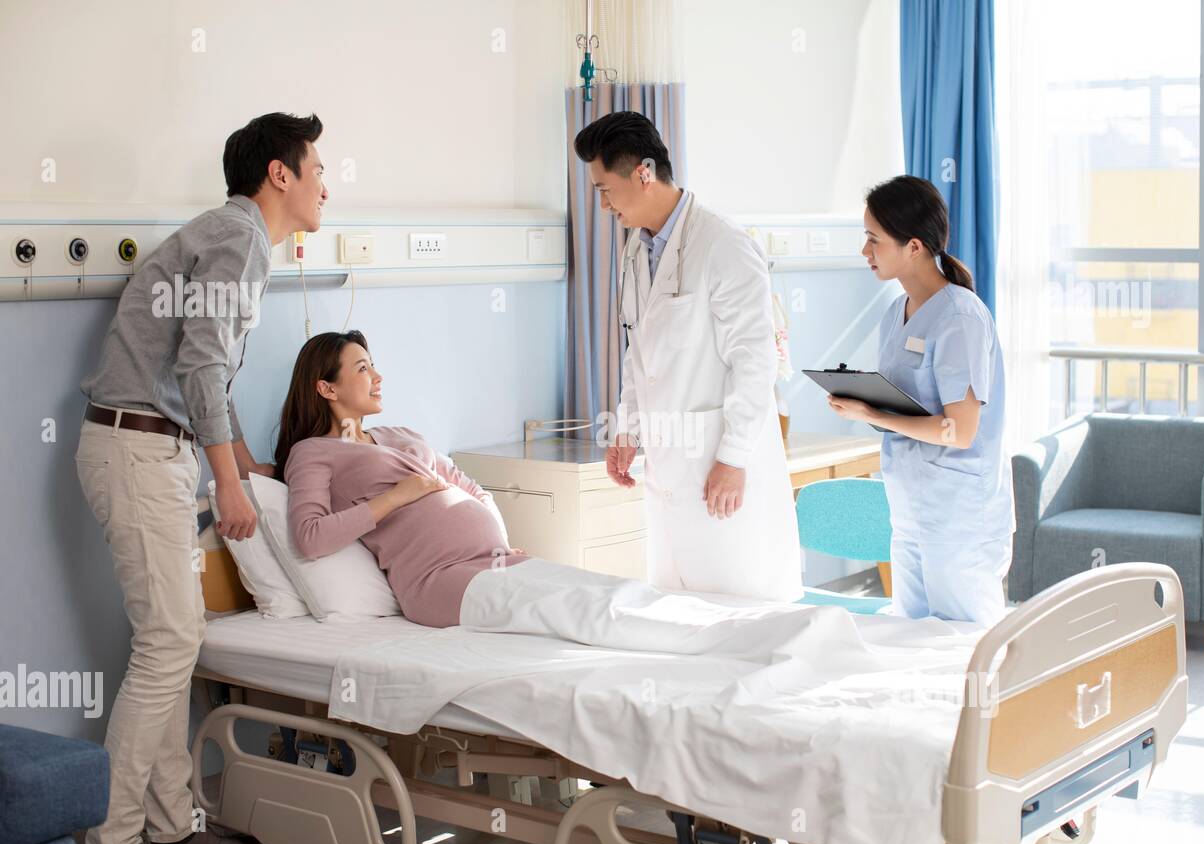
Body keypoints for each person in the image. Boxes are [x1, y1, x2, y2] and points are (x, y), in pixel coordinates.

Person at [75, 112, 328, 844]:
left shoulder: (231, 239)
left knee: (174, 644)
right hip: (138, 449)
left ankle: (171, 824)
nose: (326, 187)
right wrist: (230, 486)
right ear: (278, 174)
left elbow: (206, 374)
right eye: (317, 170)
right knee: (168, 644)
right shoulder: (239, 239)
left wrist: (243, 460)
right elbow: (201, 367)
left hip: (153, 446)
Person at [277, 331, 856, 659]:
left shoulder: (400, 435)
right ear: (326, 388)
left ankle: (767, 629)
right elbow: (309, 538)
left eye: (374, 364)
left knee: (606, 591)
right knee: (589, 611)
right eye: (361, 369)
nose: (377, 377)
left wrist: (490, 523)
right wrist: (396, 498)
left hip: (495, 561)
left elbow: (465, 484)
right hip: (439, 584)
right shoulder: (314, 454)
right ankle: (748, 643)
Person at [574, 111, 802, 603]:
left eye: (605, 190)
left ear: (643, 173)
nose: (604, 205)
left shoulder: (724, 245)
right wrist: (627, 428)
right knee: (678, 615)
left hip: (718, 461)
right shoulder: (638, 249)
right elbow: (640, 350)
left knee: (738, 614)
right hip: (669, 463)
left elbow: (755, 361)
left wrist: (734, 457)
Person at [829, 175, 1013, 626]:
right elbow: (904, 408)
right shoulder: (897, 312)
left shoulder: (960, 317)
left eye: (873, 239)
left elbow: (960, 430)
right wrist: (865, 403)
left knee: (963, 642)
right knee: (910, 637)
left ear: (913, 246)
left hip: (958, 512)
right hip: (910, 505)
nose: (864, 251)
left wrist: (872, 412)